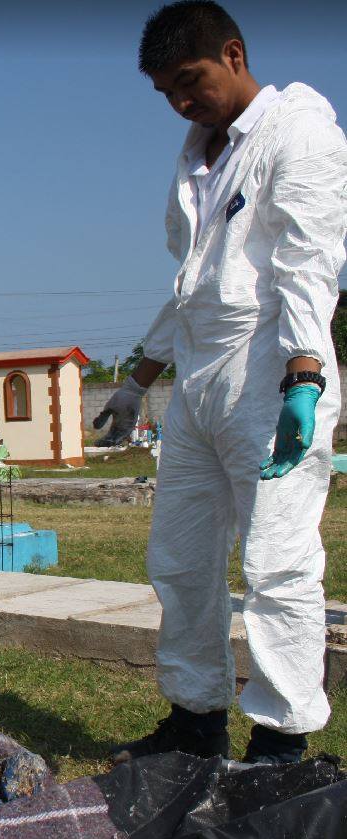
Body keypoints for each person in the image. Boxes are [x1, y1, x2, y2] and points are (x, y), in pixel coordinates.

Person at [97, 1, 347, 766]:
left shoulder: (295, 130)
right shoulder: (196, 158)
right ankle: (196, 719)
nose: (180, 101)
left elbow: (309, 258)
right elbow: (190, 286)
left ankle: (280, 738)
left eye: (189, 80)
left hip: (268, 369)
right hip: (199, 385)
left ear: (232, 55)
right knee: (179, 560)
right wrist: (138, 383)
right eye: (166, 93)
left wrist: (304, 371)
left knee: (274, 562)